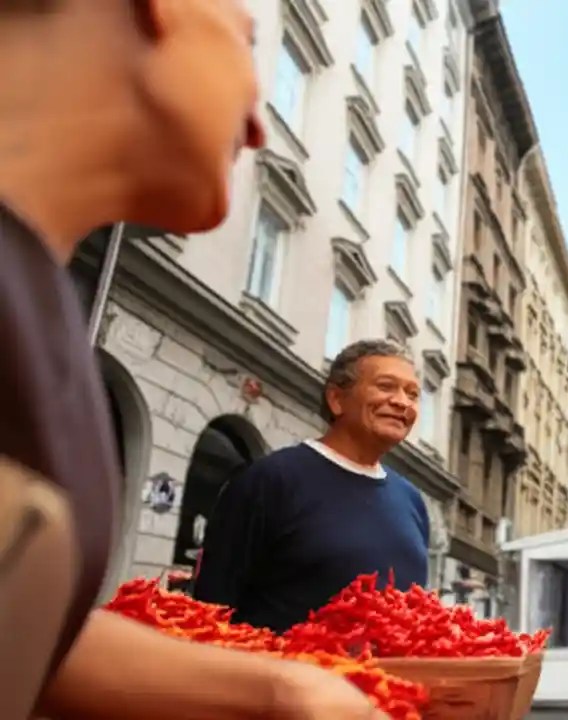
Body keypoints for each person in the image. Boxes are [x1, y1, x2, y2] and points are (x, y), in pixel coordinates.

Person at [0, 1, 388, 717]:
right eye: (247, 43)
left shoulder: (37, 302)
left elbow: (28, 638)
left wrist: (280, 690)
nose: (259, 124)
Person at [194, 340, 432, 632]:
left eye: (413, 394)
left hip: (389, 678)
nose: (402, 402)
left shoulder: (411, 501)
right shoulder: (270, 480)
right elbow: (210, 611)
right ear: (336, 398)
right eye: (386, 386)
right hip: (281, 673)